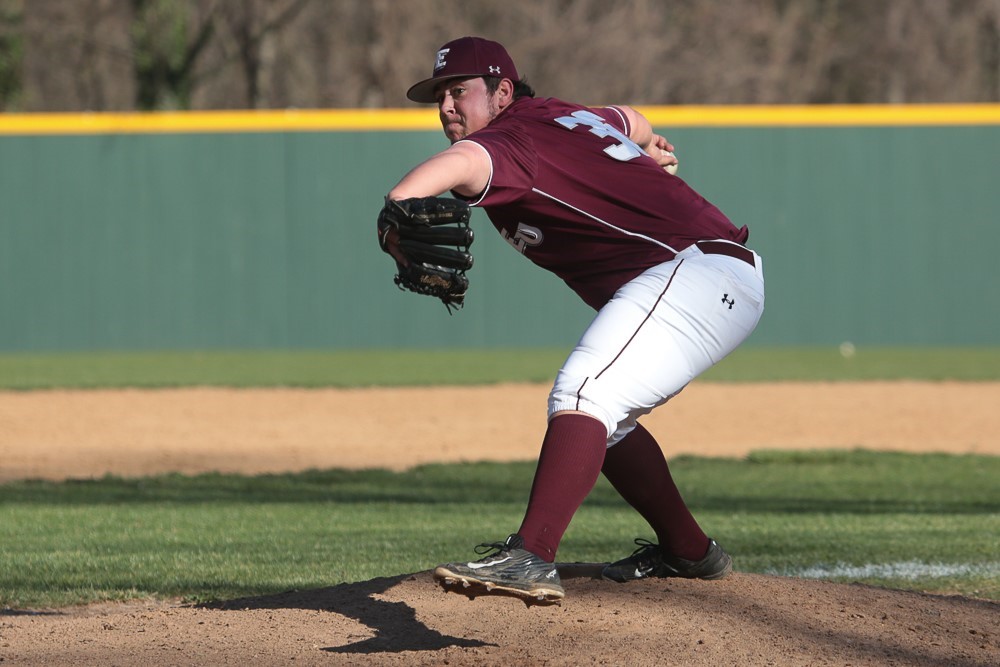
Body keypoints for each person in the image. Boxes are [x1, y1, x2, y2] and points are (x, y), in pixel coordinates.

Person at [383, 36, 765, 603]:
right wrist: (644, 145)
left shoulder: (508, 140)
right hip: (710, 273)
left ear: (502, 92)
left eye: (458, 91)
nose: (445, 107)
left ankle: (531, 556)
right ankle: (689, 550)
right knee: (605, 421)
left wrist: (397, 205)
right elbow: (630, 119)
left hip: (695, 272)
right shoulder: (563, 116)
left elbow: (461, 163)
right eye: (439, 96)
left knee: (583, 394)